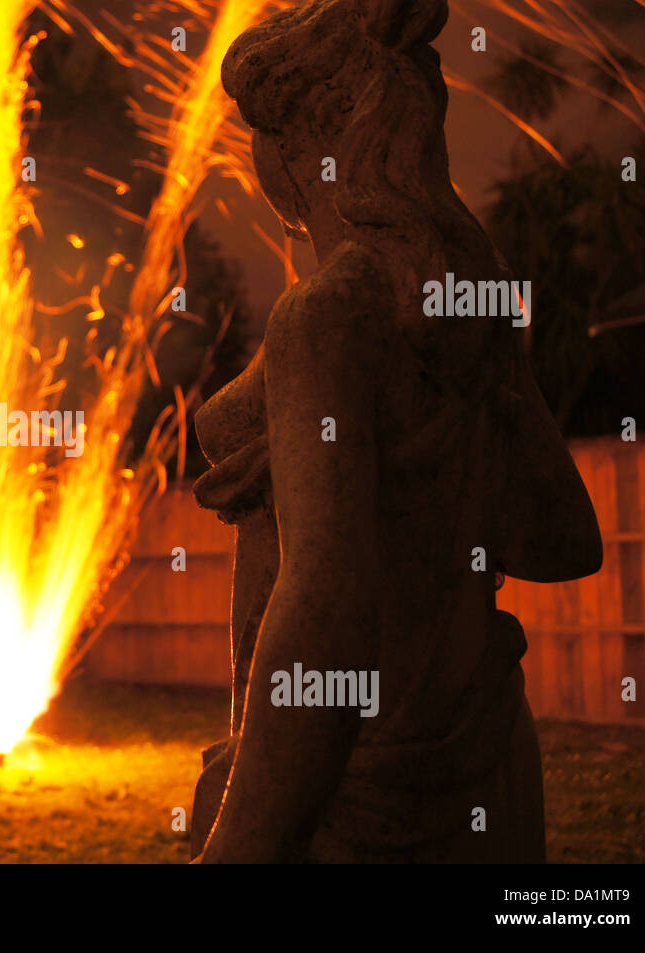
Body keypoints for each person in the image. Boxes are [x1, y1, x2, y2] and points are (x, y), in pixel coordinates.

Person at [191, 0, 602, 862]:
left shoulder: (324, 318)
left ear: (300, 154)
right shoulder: (463, 311)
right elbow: (562, 535)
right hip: (488, 762)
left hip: (361, 792)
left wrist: (242, 843)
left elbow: (324, 610)